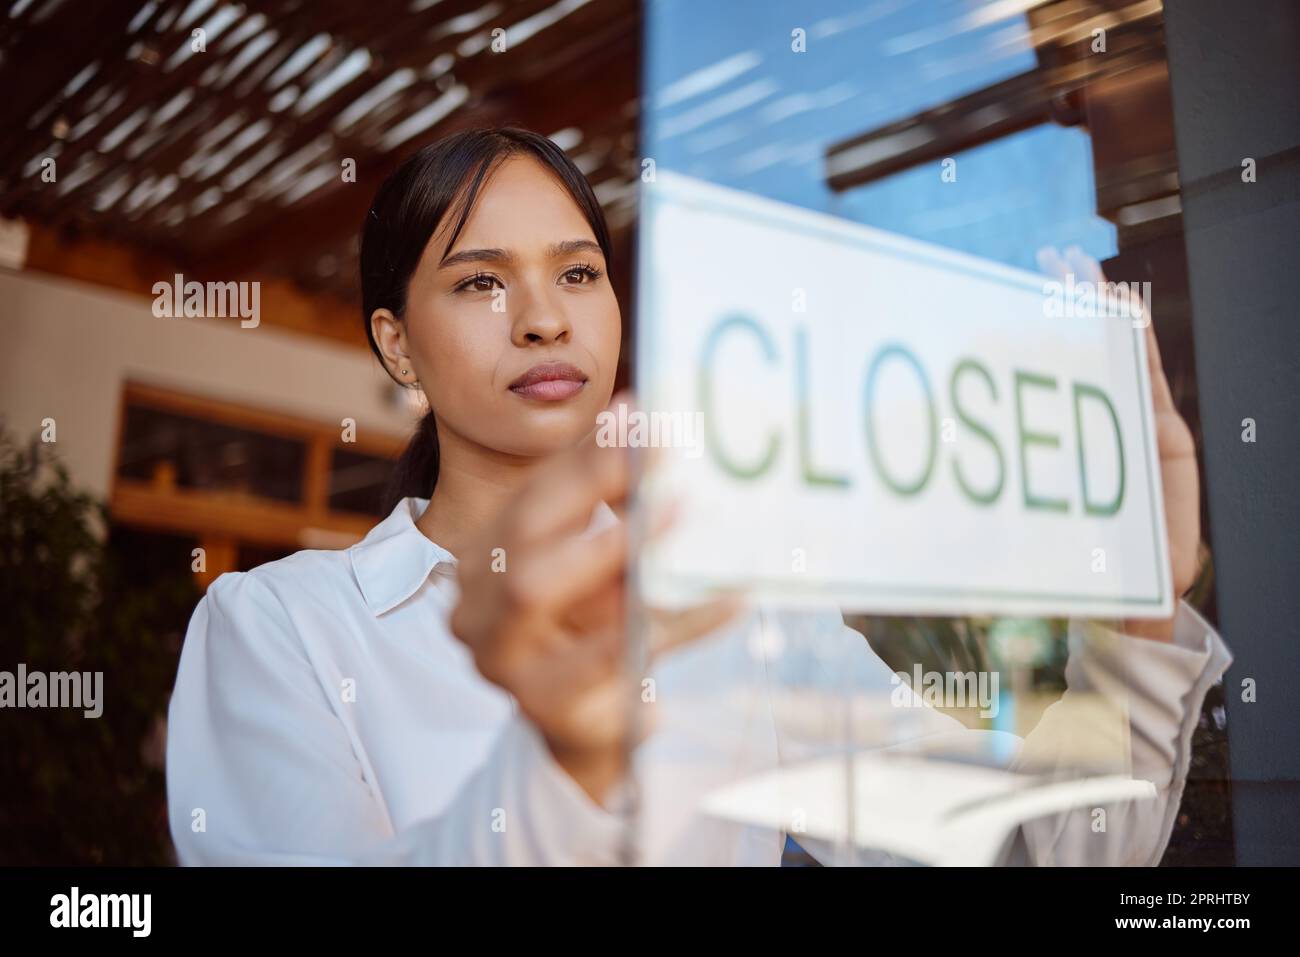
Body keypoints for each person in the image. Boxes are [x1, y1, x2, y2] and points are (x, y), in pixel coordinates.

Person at [165, 127, 1231, 865]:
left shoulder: (740, 615)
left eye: (579, 274)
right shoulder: (280, 629)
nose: (543, 318)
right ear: (394, 342)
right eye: (481, 280)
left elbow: (1039, 849)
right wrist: (564, 765)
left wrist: (1137, 611)